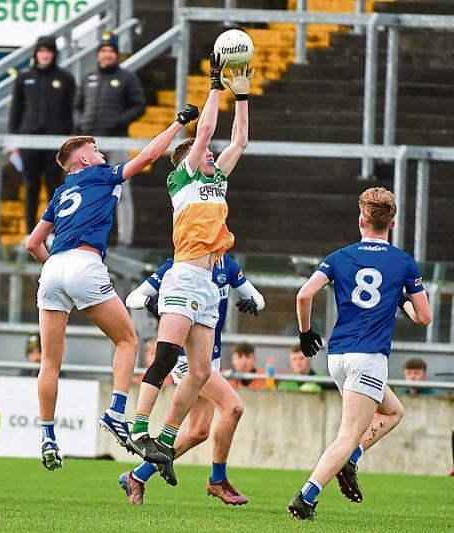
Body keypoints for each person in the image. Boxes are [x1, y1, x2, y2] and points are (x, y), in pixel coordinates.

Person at [25, 100, 201, 470]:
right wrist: (178, 124)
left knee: (50, 363)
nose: (101, 153)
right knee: (128, 340)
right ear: (84, 161)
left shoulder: (60, 193)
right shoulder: (100, 176)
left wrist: (56, 266)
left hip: (53, 268)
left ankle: (47, 435)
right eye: (95, 150)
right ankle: (118, 410)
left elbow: (31, 243)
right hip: (84, 263)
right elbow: (150, 155)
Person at [125, 54, 254, 483]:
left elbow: (239, 142)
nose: (213, 157)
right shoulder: (183, 180)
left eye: (213, 156)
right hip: (181, 275)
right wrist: (215, 85)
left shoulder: (216, 181)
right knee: (166, 355)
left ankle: (164, 437)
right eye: (206, 155)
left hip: (206, 284)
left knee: (199, 372)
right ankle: (138, 425)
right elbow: (207, 132)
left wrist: (243, 95)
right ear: (187, 162)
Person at [287, 187, 432, 521]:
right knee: (347, 432)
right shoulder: (403, 262)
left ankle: (351, 459)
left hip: (337, 356)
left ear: (361, 220)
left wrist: (306, 332)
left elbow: (304, 295)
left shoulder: (340, 256)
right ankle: (307, 497)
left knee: (393, 411)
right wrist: (401, 299)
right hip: (369, 357)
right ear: (391, 224)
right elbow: (424, 318)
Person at [121, 252, 264, 503]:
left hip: (211, 359)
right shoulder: (181, 263)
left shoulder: (225, 264)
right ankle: (217, 480)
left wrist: (253, 302)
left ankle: (136, 477)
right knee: (233, 408)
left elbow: (258, 298)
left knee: (198, 432)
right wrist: (152, 304)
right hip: (189, 360)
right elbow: (133, 298)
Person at [75, 31, 146, 247]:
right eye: (103, 50)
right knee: (85, 189)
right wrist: (80, 124)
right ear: (98, 54)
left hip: (116, 142)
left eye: (111, 51)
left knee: (122, 191)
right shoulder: (89, 78)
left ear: (116, 54)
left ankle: (125, 239)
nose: (107, 55)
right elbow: (76, 105)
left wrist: (118, 121)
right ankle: (81, 234)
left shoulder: (127, 78)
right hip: (89, 145)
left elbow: (139, 106)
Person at [8, 35, 75, 235]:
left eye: (48, 51)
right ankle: (31, 233)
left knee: (55, 189)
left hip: (55, 144)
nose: (44, 55)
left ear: (54, 54)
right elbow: (16, 111)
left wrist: (67, 139)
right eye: (41, 51)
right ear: (36, 53)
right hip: (29, 142)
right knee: (31, 188)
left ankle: (54, 233)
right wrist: (14, 138)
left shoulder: (65, 78)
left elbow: (70, 111)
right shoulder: (24, 77)